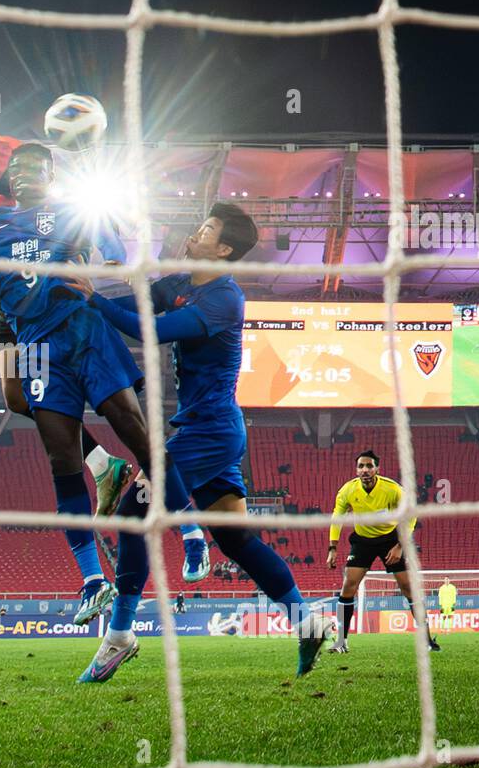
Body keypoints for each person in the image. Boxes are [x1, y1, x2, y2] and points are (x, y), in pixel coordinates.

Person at [0, 144, 201, 683]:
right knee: (59, 456)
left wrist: (110, 259)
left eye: (36, 168)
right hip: (35, 345)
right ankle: (90, 579)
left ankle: (191, 524)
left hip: (85, 332)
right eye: (18, 170)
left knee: (135, 429)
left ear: (53, 175)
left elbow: (110, 242)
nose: (25, 175)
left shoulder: (72, 213)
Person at [74, 205, 329, 676]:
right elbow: (138, 306)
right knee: (236, 540)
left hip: (209, 430)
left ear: (225, 249)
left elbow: (151, 331)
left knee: (132, 514)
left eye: (208, 230)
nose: (197, 232)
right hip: (208, 428)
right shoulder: (181, 283)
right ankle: (306, 621)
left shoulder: (224, 299)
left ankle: (120, 635)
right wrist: (106, 288)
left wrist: (94, 302)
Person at [0, 103, 142, 520]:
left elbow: (83, 209)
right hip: (12, 294)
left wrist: (112, 252)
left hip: (48, 294)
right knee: (15, 397)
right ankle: (104, 466)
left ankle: (140, 478)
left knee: (61, 399)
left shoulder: (18, 159)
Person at [327, 450, 440, 654]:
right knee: (348, 587)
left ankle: (427, 640)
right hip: (362, 541)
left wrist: (399, 546)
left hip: (391, 539)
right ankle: (341, 642)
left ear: (377, 469)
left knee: (408, 588)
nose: (365, 470)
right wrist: (332, 547)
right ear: (356, 470)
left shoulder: (392, 489)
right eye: (361, 466)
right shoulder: (348, 490)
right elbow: (337, 516)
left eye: (369, 466)